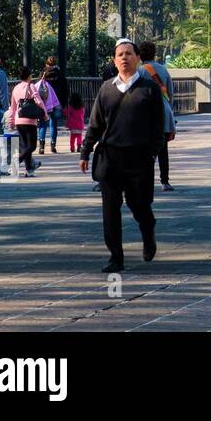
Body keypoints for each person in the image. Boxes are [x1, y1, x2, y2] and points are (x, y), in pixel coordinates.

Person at [80, 39, 165, 273]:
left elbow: (159, 127)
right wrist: (85, 150)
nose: (124, 58)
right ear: (114, 60)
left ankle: (148, 231)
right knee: (110, 209)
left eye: (129, 54)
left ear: (138, 58)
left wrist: (151, 154)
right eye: (120, 55)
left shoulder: (150, 89)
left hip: (139, 158)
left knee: (139, 205)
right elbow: (95, 124)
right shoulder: (106, 88)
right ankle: (115, 257)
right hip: (110, 158)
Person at [139, 41, 177, 191]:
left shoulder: (140, 71)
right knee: (163, 149)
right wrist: (169, 109)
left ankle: (145, 180)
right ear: (154, 53)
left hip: (146, 114)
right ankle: (165, 182)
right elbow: (171, 93)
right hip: (164, 111)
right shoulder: (163, 69)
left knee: (146, 150)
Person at [6, 66, 51, 176]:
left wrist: (11, 121)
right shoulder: (31, 86)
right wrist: (44, 113)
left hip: (19, 121)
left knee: (26, 146)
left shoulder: (15, 88)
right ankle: (15, 163)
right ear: (29, 76)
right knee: (32, 146)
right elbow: (38, 101)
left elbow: (13, 107)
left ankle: (29, 170)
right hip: (30, 121)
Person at [41, 56, 69, 154]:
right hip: (57, 102)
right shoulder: (60, 74)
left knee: (43, 124)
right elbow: (65, 90)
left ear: (46, 64)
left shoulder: (43, 74)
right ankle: (53, 145)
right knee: (53, 124)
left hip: (44, 103)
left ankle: (41, 147)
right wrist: (64, 103)